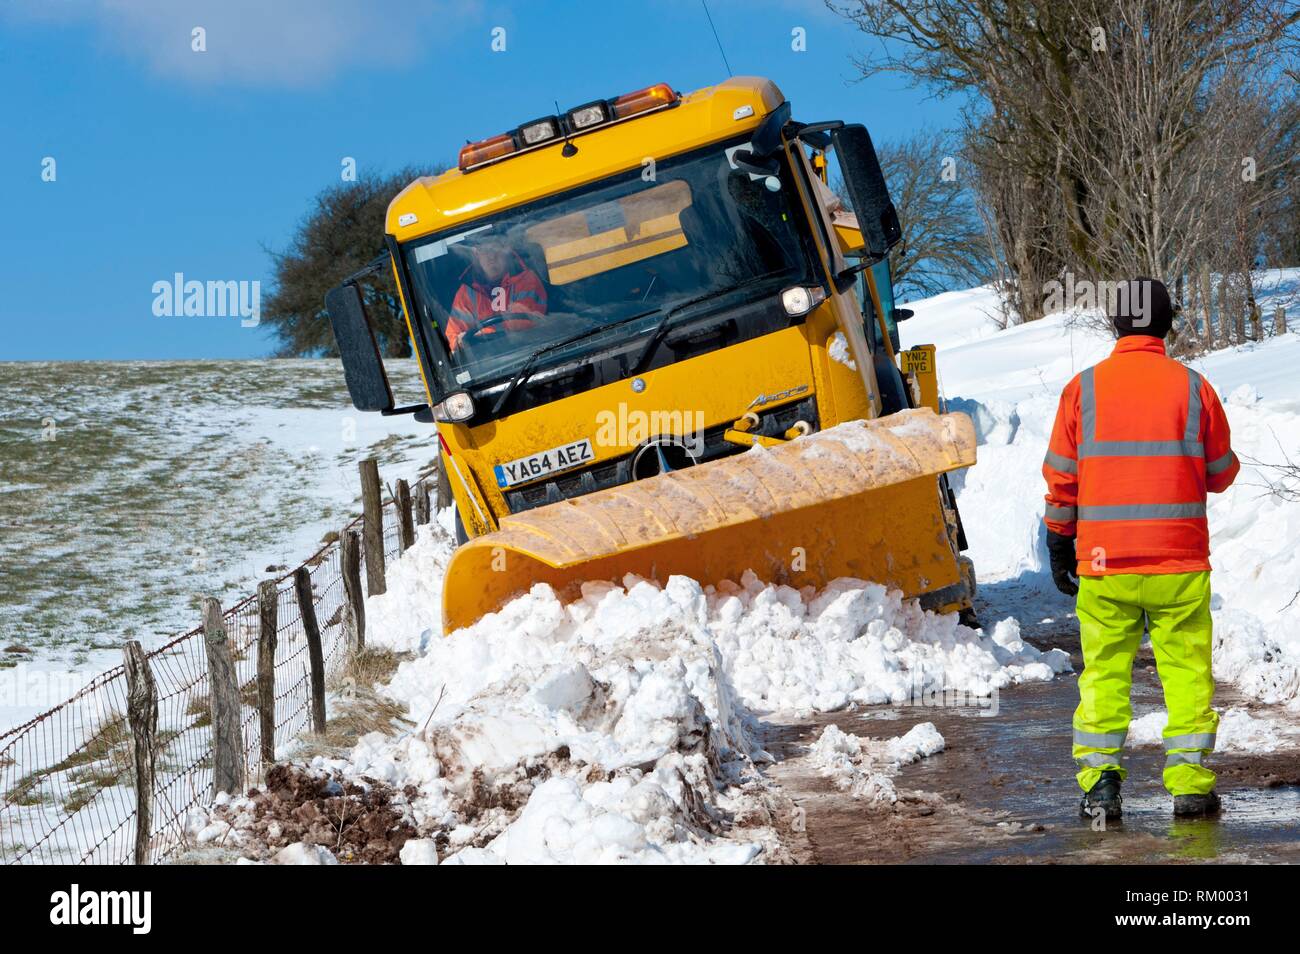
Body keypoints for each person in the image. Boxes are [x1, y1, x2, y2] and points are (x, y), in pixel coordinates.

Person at [1042, 277, 1240, 820]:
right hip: (1179, 564)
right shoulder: (1194, 387)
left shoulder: (1083, 390)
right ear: (1167, 323)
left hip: (1105, 566)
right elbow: (1221, 474)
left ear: (1116, 324)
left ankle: (1102, 785)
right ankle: (1190, 786)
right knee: (1186, 672)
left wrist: (1060, 541)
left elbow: (1062, 479)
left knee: (1105, 670)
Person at [445, 237, 548, 352]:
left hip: (529, 352)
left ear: (507, 249)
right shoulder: (466, 292)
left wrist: (477, 336)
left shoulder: (527, 280)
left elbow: (523, 324)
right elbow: (453, 338)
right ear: (476, 254)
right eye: (484, 250)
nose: (491, 256)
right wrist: (461, 342)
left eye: (495, 248)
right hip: (487, 364)